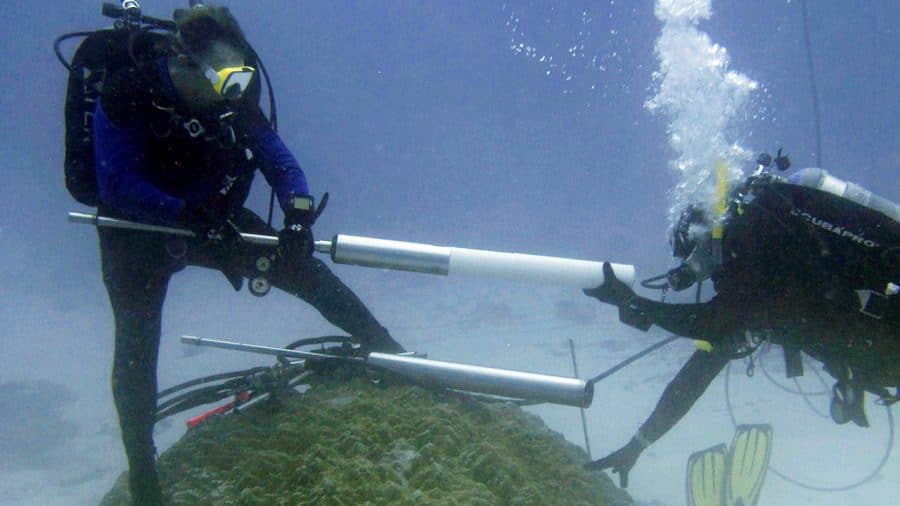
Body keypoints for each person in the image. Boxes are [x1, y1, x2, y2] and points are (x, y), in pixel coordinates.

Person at [91, 6, 404, 504]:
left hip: (216, 219)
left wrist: (297, 214)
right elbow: (114, 181)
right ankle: (143, 473)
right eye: (216, 80)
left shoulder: (235, 92)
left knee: (307, 274)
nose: (226, 95)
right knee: (136, 344)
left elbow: (277, 157)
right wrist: (186, 213)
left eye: (236, 78)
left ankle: (392, 353)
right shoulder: (128, 90)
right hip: (137, 233)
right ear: (181, 60)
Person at [581, 160, 899, 488]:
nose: (700, 273)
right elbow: (693, 378)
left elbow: (709, 324)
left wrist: (633, 303)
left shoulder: (756, 238)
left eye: (693, 258)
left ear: (707, 235)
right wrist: (638, 444)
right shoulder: (766, 270)